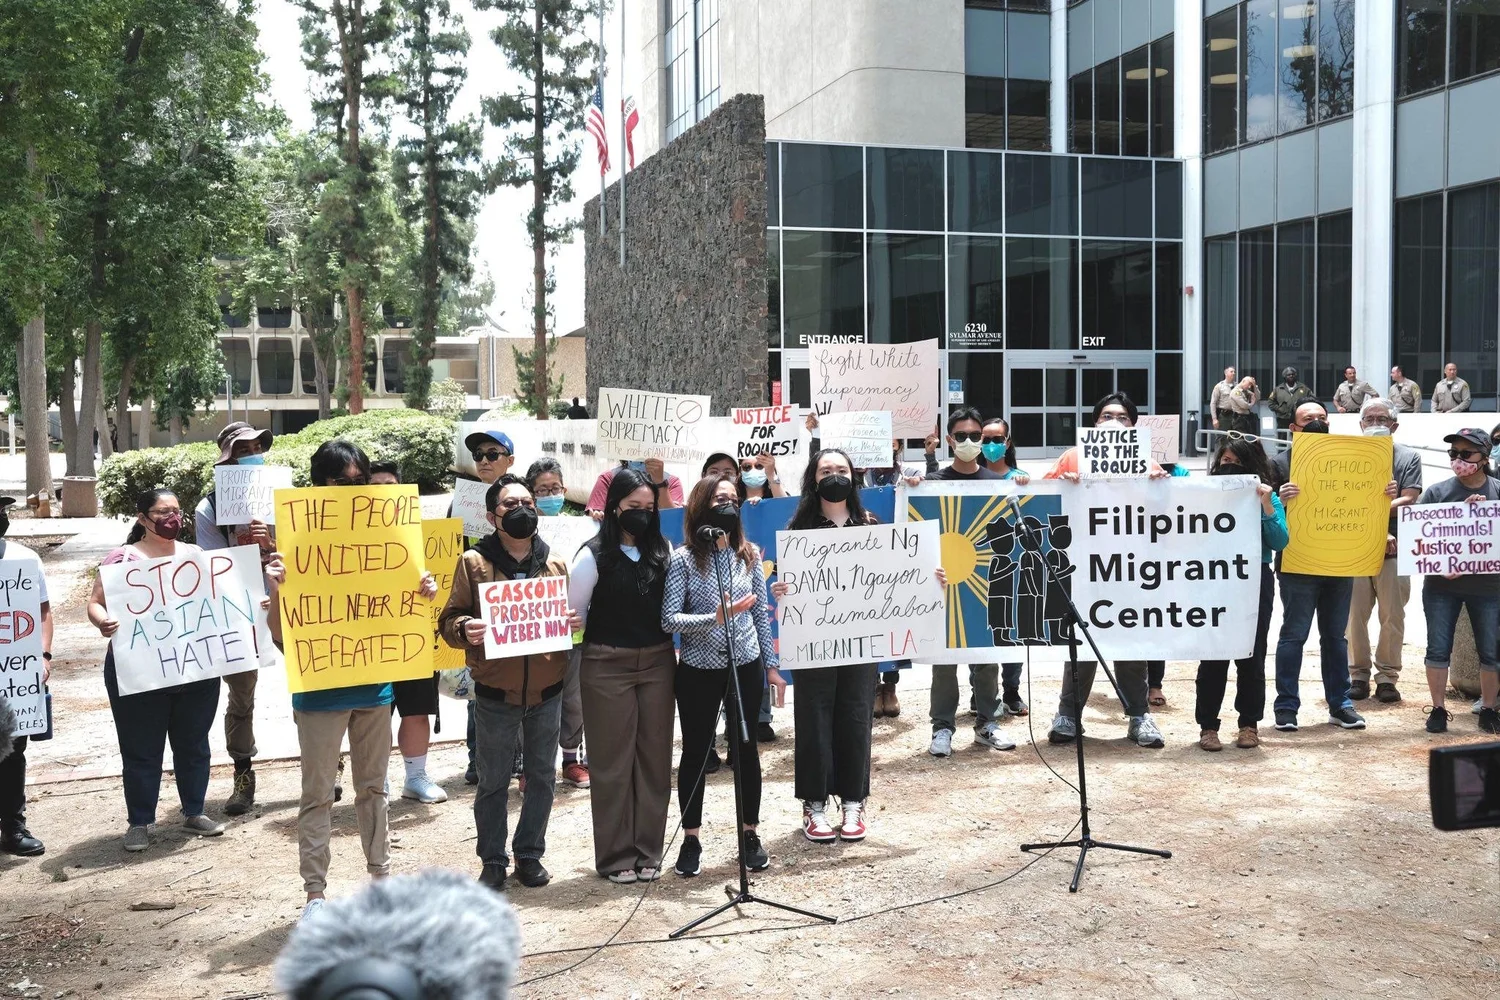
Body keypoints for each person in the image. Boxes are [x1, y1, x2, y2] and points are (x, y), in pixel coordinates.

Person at [272, 440, 437, 922]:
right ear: (318, 484)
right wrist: (277, 586)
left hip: (374, 690)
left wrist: (422, 589)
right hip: (319, 691)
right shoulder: (296, 543)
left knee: (375, 789)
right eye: (340, 483)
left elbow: (406, 612)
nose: (351, 491)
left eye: (359, 482)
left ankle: (381, 883)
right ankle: (315, 896)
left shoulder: (389, 535)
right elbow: (282, 635)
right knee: (318, 794)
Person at [438, 474, 580, 890]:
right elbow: (447, 622)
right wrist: (466, 629)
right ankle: (493, 859)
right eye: (509, 504)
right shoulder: (473, 564)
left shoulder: (555, 564)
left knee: (542, 777)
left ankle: (530, 854)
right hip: (496, 695)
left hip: (547, 691)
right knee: (493, 781)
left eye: (527, 503)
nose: (521, 510)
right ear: (490, 516)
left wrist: (571, 625)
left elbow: (567, 624)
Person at [772, 449, 918, 843]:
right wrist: (781, 590)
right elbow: (788, 584)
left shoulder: (871, 524)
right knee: (813, 717)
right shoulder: (799, 528)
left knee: (856, 716)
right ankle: (814, 804)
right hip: (814, 645)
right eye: (826, 470)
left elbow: (899, 577)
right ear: (813, 478)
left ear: (853, 476)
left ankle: (854, 801)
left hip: (861, 643)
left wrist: (927, 577)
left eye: (841, 469)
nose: (834, 475)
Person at [87, 489, 228, 852]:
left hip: (195, 669)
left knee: (194, 744)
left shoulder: (196, 556)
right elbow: (96, 603)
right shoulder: (123, 559)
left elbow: (223, 599)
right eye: (162, 512)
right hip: (139, 672)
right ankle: (139, 823)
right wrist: (103, 622)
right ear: (142, 518)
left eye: (177, 511)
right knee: (140, 749)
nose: (172, 518)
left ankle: (195, 811)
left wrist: (254, 604)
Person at [663, 475, 787, 876]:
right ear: (702, 505)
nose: (729, 504)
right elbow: (669, 619)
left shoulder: (747, 554)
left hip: (745, 664)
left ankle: (749, 833)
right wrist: (712, 618)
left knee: (746, 749)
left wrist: (771, 667)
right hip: (699, 670)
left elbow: (760, 618)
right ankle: (691, 839)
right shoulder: (682, 559)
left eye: (734, 499)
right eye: (720, 498)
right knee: (696, 752)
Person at [568, 467, 676, 883]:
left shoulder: (663, 550)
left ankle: (648, 851)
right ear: (614, 508)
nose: (643, 515)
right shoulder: (591, 556)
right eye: (634, 507)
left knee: (654, 759)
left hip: (658, 663)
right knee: (612, 763)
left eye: (649, 508)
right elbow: (574, 616)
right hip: (605, 665)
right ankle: (615, 857)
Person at [1044, 393, 1169, 748]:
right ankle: (1068, 714)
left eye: (1122, 416)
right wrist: (1061, 484)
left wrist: (1162, 485)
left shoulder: (1147, 461)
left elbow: (1171, 509)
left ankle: (1138, 716)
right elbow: (1043, 498)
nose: (1113, 421)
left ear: (1134, 425)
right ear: (1094, 423)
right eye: (1105, 415)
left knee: (1131, 641)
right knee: (1081, 641)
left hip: (1130, 570)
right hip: (1084, 569)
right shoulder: (1072, 457)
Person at [192, 421, 276, 817]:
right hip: (240, 609)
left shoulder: (282, 496)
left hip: (289, 601)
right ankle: (244, 776)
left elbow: (311, 553)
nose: (251, 454)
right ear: (226, 459)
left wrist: (273, 543)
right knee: (241, 696)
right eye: (242, 450)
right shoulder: (209, 509)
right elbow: (214, 568)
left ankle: (328, 767)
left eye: (257, 446)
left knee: (314, 680)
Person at [1270, 400, 1369, 732]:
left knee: (1335, 638)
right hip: (1297, 565)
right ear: (1294, 428)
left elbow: (1363, 500)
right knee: (1293, 635)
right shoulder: (1278, 464)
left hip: (1340, 562)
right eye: (1308, 418)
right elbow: (1261, 514)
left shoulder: (1349, 460)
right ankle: (1286, 707)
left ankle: (1340, 704)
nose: (1316, 421)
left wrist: (1381, 495)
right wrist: (1277, 500)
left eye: (1321, 417)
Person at [925, 408, 1015, 757]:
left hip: (984, 584)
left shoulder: (997, 484)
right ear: (949, 439)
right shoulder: (933, 483)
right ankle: (942, 727)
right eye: (960, 436)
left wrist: (1024, 486)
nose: (968, 442)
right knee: (943, 660)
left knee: (986, 659)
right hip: (943, 585)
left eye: (974, 436)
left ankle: (987, 724)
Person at [1194, 437, 1288, 750]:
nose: (1229, 467)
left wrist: (1265, 505)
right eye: (1224, 462)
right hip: (1214, 578)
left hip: (1254, 579)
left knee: (1252, 654)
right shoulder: (1204, 496)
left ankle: (1249, 724)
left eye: (1236, 462)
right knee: (1213, 655)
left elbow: (1279, 541)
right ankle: (1208, 726)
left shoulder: (1266, 497)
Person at [369, 460, 447, 804]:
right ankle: (377, 779)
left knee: (417, 709)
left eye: (391, 485)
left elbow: (442, 575)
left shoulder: (423, 534)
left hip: (413, 637)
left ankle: (415, 777)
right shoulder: (345, 537)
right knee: (374, 715)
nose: (385, 492)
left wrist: (431, 586)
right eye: (376, 486)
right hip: (368, 641)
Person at [1417, 430, 1500, 735]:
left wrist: (1484, 515)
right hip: (1441, 587)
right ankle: (1438, 709)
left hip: (1489, 588)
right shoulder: (1436, 493)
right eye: (1454, 453)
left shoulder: (1497, 492)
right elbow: (1420, 541)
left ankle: (1489, 709)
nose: (1459, 460)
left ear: (1483, 458)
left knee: (1490, 651)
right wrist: (1439, 564)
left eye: (1467, 454)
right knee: (1437, 648)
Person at [1346, 399, 1423, 704]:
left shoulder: (1407, 457)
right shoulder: (1347, 456)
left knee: (1393, 614)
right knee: (1353, 615)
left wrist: (1380, 510)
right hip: (1354, 546)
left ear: (1394, 425)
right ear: (1360, 423)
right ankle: (1358, 674)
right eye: (1369, 418)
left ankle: (1387, 676)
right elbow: (1342, 500)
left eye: (1382, 418)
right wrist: (1378, 515)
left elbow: (1410, 497)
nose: (1375, 422)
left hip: (1395, 548)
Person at [455, 430, 517, 786]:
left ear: (510, 459)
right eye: (478, 454)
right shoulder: (462, 500)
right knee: (480, 690)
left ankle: (518, 760)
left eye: (493, 454)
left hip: (517, 611)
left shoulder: (521, 500)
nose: (483, 461)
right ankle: (478, 759)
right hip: (479, 612)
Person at [525, 458, 590, 790]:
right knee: (534, 699)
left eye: (555, 489)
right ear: (531, 495)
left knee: (574, 698)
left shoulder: (582, 527)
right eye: (542, 490)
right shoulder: (520, 531)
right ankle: (531, 767)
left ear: (564, 491)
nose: (550, 495)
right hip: (533, 634)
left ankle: (570, 760)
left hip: (575, 629)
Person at [0, 497, 52, 857]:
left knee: (13, 751)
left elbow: (43, 612)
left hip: (13, 677)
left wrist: (44, 656)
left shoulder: (24, 559)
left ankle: (13, 826)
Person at [980, 417, 1029, 716]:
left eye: (997, 439)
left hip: (1012, 562)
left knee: (1013, 629)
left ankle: (1011, 690)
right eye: (985, 439)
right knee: (983, 630)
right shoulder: (969, 476)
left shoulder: (1020, 476)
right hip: (978, 564)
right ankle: (981, 694)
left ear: (1008, 442)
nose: (990, 445)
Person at [586, 459, 683, 519]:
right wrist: (596, 515)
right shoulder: (608, 478)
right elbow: (595, 516)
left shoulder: (672, 482)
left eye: (649, 508)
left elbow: (673, 520)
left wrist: (660, 483)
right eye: (634, 506)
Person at [1209, 366, 1237, 432]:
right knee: (1222, 438)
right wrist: (1214, 419)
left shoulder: (1237, 386)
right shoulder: (1219, 386)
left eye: (1234, 372)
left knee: (1235, 438)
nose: (1233, 373)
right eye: (1231, 371)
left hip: (1235, 416)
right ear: (1226, 373)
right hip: (1224, 416)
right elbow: (1213, 403)